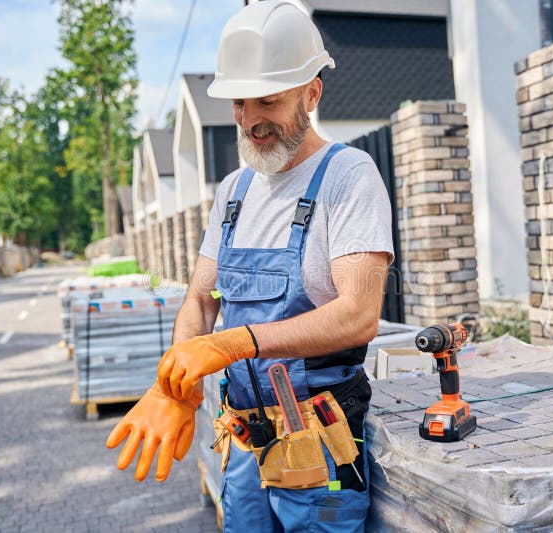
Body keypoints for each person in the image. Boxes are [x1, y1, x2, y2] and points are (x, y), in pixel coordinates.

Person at [106, 1, 393, 530]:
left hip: (320, 447)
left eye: (268, 100)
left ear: (311, 92)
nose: (250, 119)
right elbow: (199, 300)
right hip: (243, 447)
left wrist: (230, 344)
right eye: (239, 102)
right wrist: (175, 385)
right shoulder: (233, 192)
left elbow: (358, 315)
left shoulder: (349, 177)